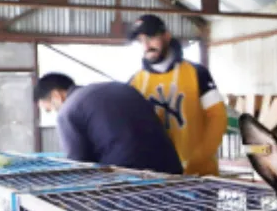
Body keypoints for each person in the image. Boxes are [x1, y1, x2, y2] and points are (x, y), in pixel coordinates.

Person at [127, 14, 228, 176]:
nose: (146, 45)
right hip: (155, 179)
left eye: (151, 37)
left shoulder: (197, 73)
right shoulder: (133, 83)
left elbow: (218, 117)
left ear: (166, 36)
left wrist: (199, 158)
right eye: (140, 40)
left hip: (200, 177)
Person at [33, 73, 183, 175]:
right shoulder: (120, 88)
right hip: (172, 170)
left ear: (56, 96)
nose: (54, 113)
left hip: (131, 181)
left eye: (49, 109)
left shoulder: (68, 110)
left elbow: (78, 164)